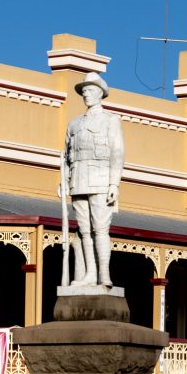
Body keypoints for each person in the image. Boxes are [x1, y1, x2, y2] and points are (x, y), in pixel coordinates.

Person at [62, 73, 124, 288]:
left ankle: (103, 274)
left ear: (100, 93)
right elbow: (65, 156)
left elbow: (117, 152)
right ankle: (90, 273)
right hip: (78, 180)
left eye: (90, 90)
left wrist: (114, 183)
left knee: (100, 228)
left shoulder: (110, 120)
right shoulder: (74, 124)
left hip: (100, 178)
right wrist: (64, 179)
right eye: (84, 91)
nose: (86, 95)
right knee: (84, 229)